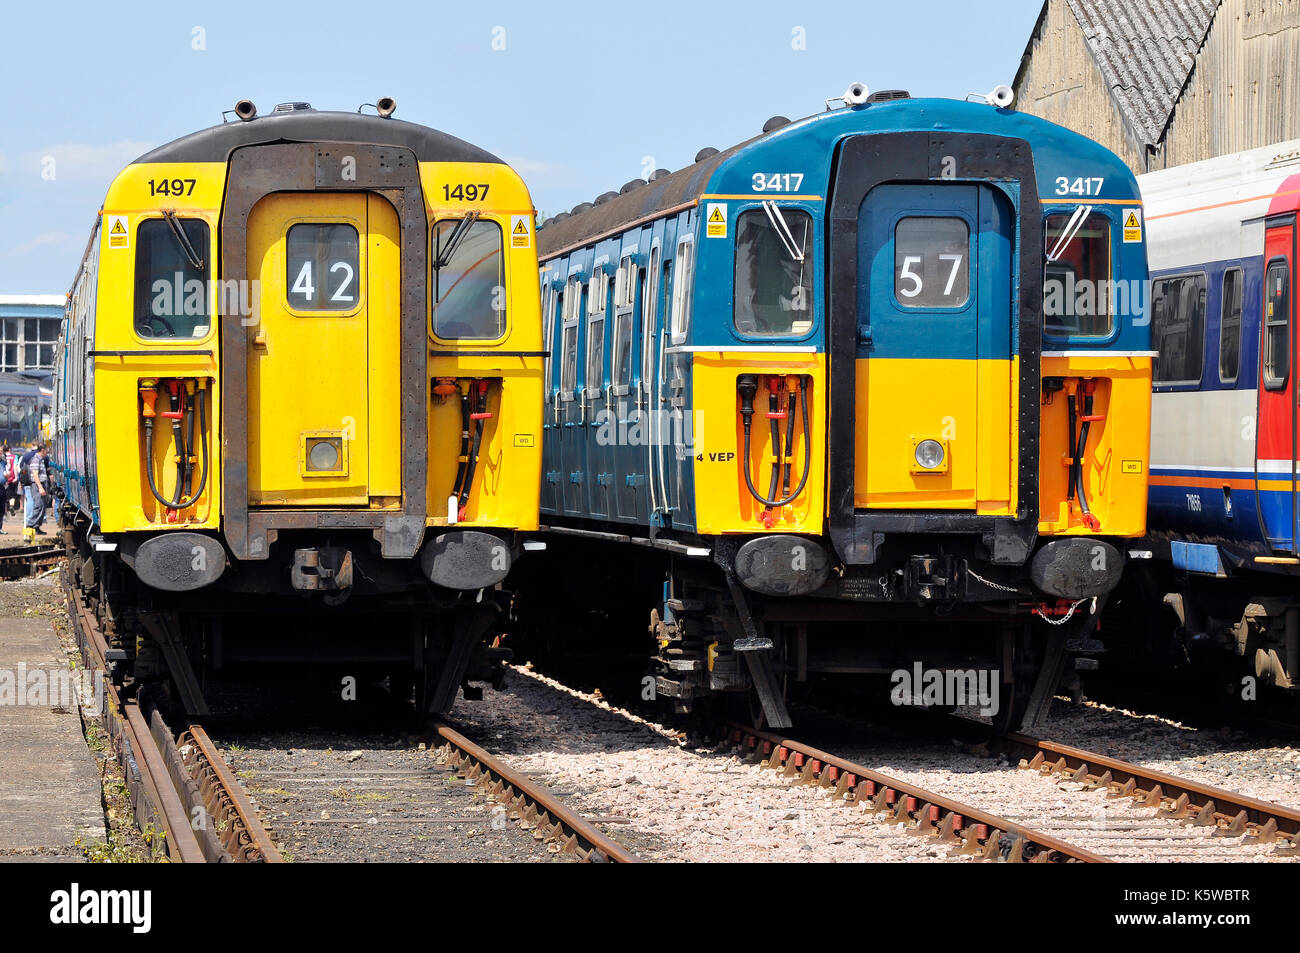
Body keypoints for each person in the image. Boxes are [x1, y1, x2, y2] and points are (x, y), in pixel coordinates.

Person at [20, 441, 47, 542]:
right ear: (43, 450)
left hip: (41, 485)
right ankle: (30, 524)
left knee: (42, 507)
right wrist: (40, 487)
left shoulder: (41, 459)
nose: (47, 452)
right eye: (46, 450)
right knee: (38, 506)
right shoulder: (36, 459)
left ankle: (36, 526)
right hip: (36, 485)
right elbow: (35, 474)